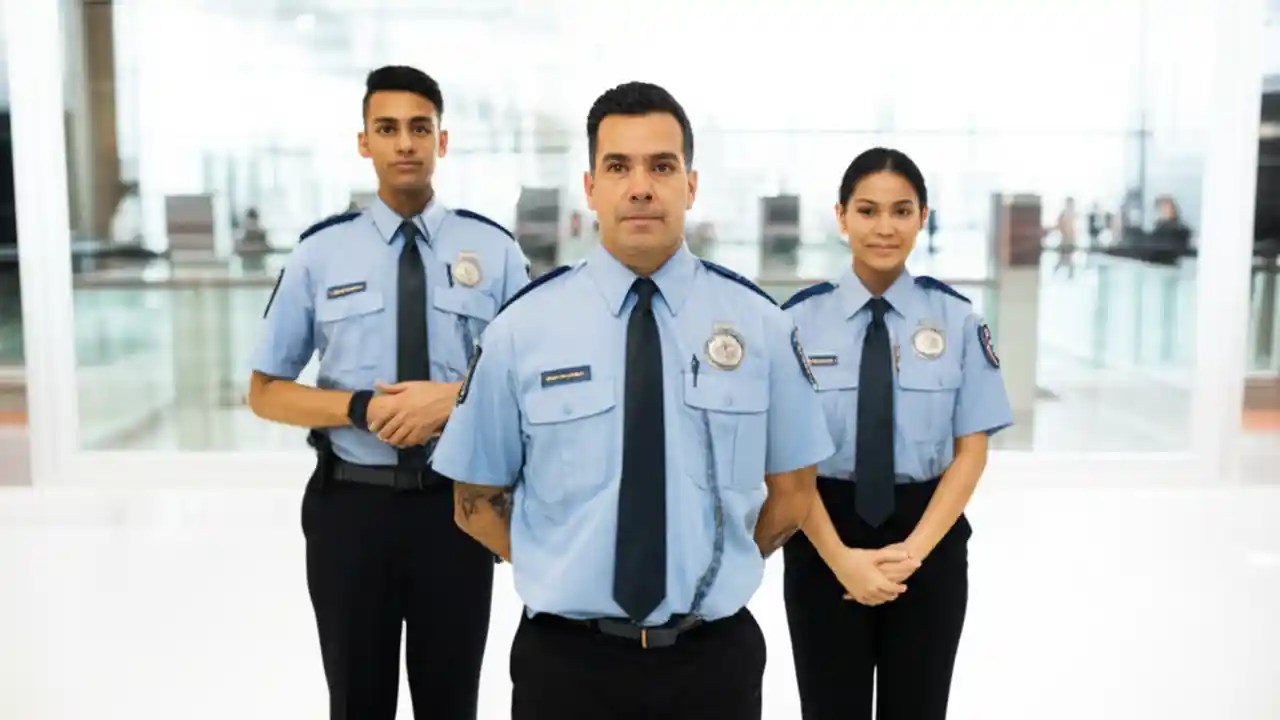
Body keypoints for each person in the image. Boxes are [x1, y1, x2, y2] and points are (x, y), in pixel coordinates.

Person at [432, 81, 834, 720]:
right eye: (618, 167)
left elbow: (793, 491)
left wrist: (718, 559)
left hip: (713, 662)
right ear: (590, 187)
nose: (640, 186)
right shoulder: (520, 330)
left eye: (661, 166)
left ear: (691, 185)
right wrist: (559, 562)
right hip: (565, 667)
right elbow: (473, 501)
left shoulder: (761, 326)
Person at [246, 65, 530, 720]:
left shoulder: (494, 250)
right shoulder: (321, 254)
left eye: (419, 128)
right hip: (351, 510)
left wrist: (453, 400)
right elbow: (265, 392)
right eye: (388, 128)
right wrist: (358, 408)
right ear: (364, 142)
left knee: (451, 700)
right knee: (356, 701)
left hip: (457, 513)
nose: (405, 142)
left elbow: (526, 385)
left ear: (442, 140)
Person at [781, 147, 1013, 720]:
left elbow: (971, 453)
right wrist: (841, 561)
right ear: (841, 217)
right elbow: (787, 458)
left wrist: (911, 554)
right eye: (867, 210)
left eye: (901, 211)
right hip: (823, 538)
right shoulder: (794, 322)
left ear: (922, 217)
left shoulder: (958, 321)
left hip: (927, 540)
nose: (884, 227)